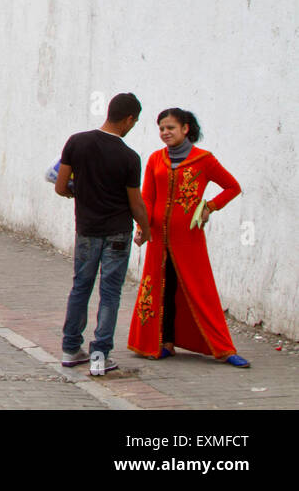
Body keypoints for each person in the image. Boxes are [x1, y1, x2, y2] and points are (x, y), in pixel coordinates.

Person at [128, 109, 249, 368]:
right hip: (159, 238)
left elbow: (232, 187)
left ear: (185, 129)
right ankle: (163, 342)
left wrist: (210, 207)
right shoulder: (154, 160)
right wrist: (142, 227)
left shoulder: (204, 160)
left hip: (189, 238)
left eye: (170, 127)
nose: (165, 133)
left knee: (199, 290)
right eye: (161, 128)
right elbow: (148, 198)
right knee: (162, 287)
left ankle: (224, 349)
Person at [55, 92, 150, 376]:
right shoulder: (130, 157)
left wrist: (80, 192)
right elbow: (135, 202)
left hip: (86, 230)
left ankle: (71, 349)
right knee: (110, 293)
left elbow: (60, 187)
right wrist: (145, 228)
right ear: (129, 119)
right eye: (135, 122)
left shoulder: (77, 142)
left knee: (80, 287)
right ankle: (99, 357)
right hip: (118, 233)